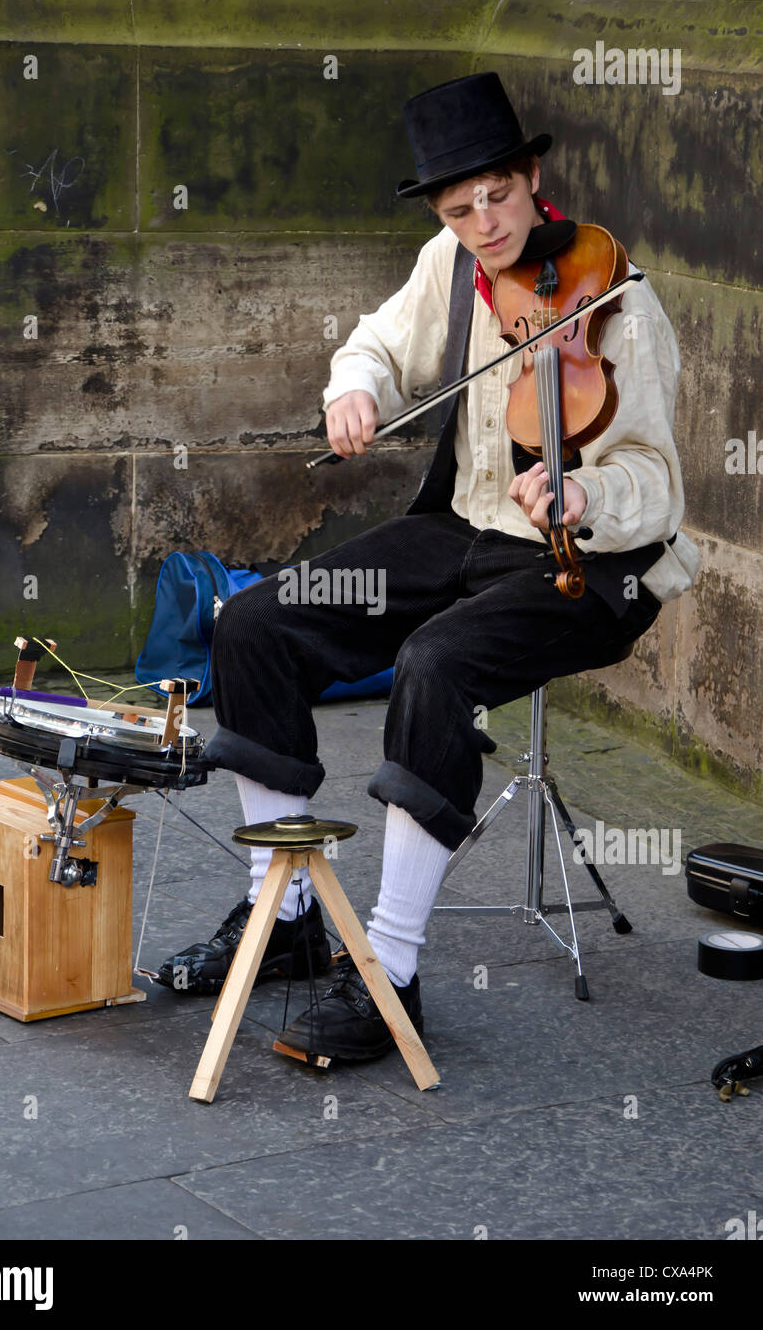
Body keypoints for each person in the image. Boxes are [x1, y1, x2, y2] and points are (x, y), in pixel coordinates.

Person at [156, 72, 700, 1062]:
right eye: (462, 207)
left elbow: (660, 487)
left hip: (594, 563)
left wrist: (585, 495)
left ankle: (389, 974)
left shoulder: (619, 296)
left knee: (437, 666)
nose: (486, 223)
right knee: (255, 623)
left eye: (500, 195)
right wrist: (352, 392)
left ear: (532, 175)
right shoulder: (449, 265)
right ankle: (282, 922)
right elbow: (374, 343)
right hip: (462, 533)